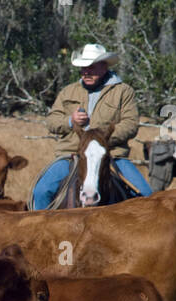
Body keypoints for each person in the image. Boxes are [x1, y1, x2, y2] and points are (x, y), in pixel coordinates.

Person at [32, 43, 152, 208]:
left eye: (91, 67)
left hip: (112, 156)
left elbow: (130, 124)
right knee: (41, 193)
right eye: (83, 68)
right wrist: (70, 121)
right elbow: (52, 121)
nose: (86, 72)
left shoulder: (123, 91)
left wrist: (100, 141)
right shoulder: (68, 92)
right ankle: (40, 233)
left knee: (147, 196)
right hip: (70, 155)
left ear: (104, 66)